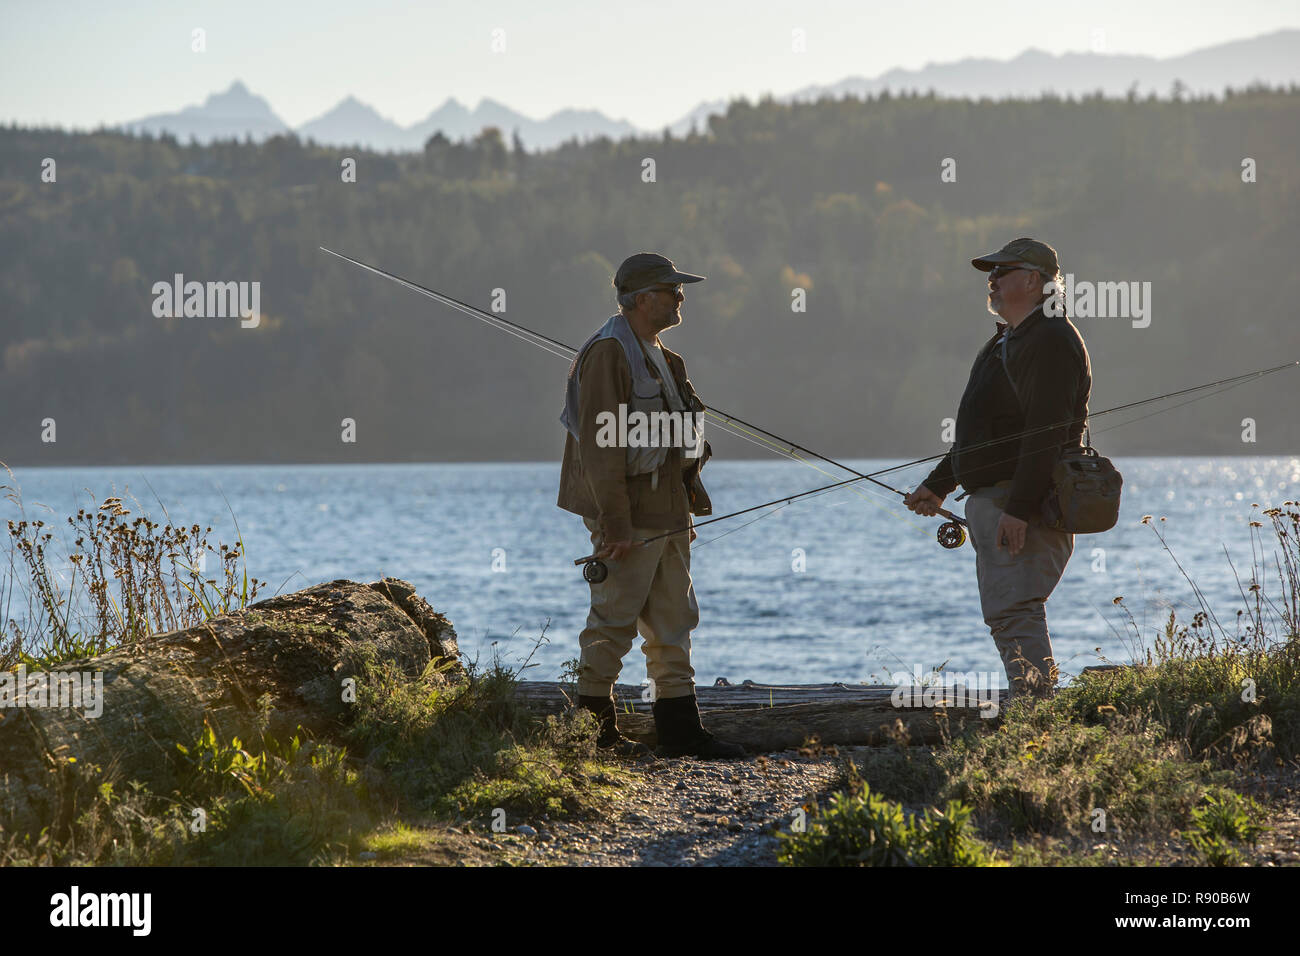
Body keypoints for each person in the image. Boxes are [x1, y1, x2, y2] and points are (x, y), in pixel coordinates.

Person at [557, 252, 745, 758]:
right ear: (642, 300)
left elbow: (678, 440)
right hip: (628, 517)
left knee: (674, 622)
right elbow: (600, 450)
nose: (681, 296)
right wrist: (615, 524)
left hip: (668, 513)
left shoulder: (666, 357)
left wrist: (683, 510)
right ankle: (592, 735)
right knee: (612, 622)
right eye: (671, 289)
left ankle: (681, 732)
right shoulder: (608, 354)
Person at [904, 238, 1091, 703]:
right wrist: (938, 484)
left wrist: (1019, 510)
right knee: (1008, 613)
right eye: (991, 271)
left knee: (1016, 611)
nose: (992, 279)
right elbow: (984, 430)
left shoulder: (1049, 339)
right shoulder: (1008, 338)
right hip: (1000, 501)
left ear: (1032, 280)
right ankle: (1035, 714)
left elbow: (1045, 433)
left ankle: (1038, 719)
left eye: (1002, 271)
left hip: (1019, 504)